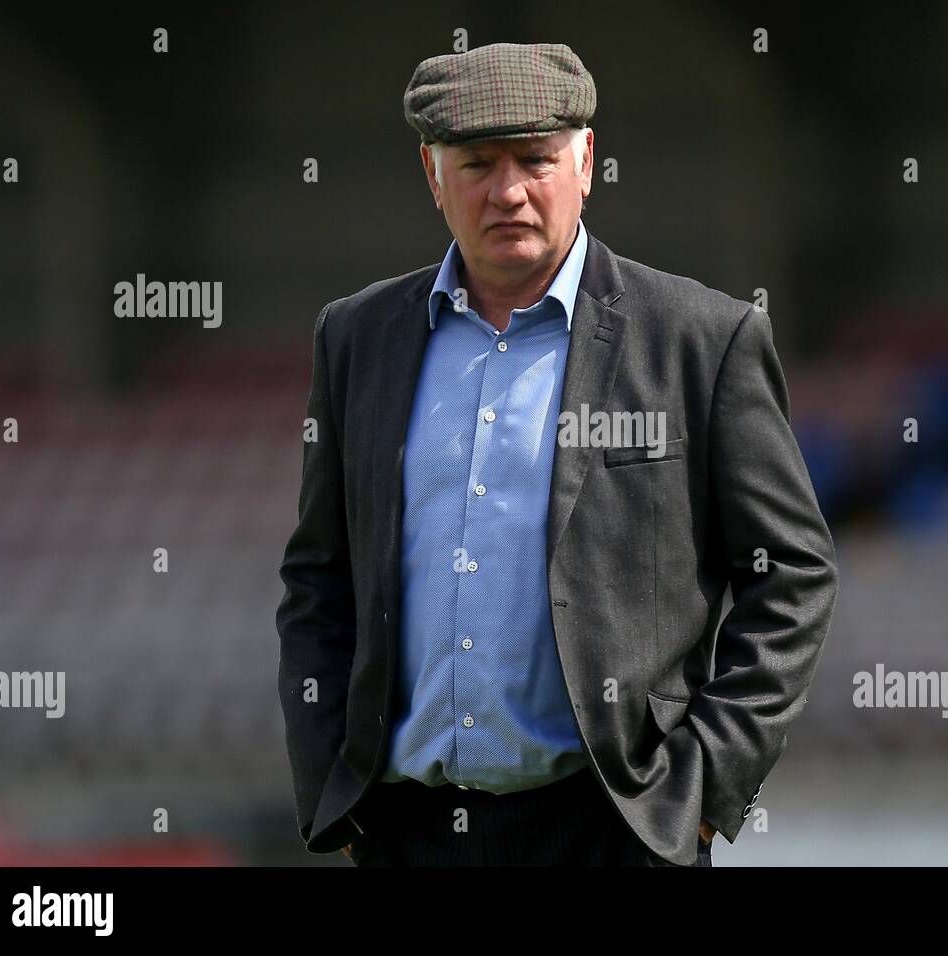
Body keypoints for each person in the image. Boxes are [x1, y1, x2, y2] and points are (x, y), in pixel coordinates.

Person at [276, 41, 838, 866]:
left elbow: (791, 573)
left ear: (586, 163)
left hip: (618, 831)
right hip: (406, 833)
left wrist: (706, 790)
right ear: (433, 176)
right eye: (476, 165)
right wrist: (332, 785)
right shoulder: (356, 337)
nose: (508, 192)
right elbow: (318, 578)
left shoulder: (702, 339)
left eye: (536, 160)